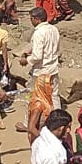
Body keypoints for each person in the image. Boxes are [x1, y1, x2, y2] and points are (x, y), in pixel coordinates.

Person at [19, 8, 62, 139]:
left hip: (41, 72)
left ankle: (28, 124)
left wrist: (26, 60)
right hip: (53, 68)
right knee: (54, 96)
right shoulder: (54, 29)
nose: (31, 21)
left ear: (36, 19)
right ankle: (59, 122)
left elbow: (37, 56)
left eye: (31, 19)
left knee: (33, 98)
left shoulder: (39, 33)